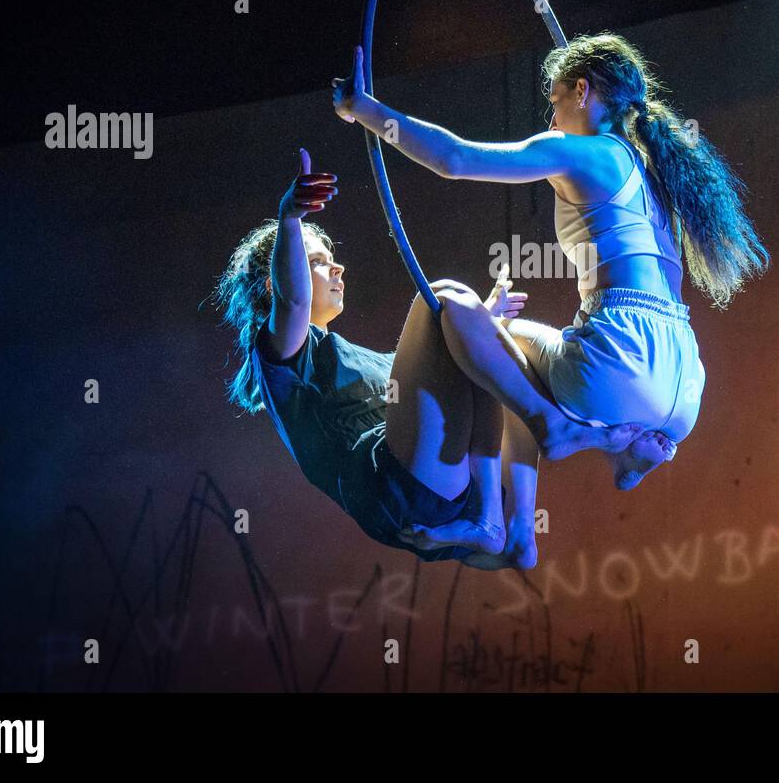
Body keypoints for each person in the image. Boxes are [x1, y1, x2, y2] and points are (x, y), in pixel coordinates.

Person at [332, 32, 770, 516]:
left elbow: (454, 159)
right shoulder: (656, 170)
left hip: (623, 360)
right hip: (684, 382)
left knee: (472, 324)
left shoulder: (579, 151)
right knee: (522, 365)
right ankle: (607, 459)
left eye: (556, 101)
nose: (553, 117)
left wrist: (364, 109)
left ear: (582, 91)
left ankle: (544, 444)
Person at [214, 149, 637, 566]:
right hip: (390, 483)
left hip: (438, 488)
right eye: (318, 262)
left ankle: (517, 529)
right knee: (443, 294)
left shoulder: (369, 363)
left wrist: (478, 324)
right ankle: (539, 450)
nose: (338, 268)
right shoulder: (283, 358)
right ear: (276, 281)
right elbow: (292, 302)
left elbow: (441, 380)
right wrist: (290, 221)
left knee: (495, 347)